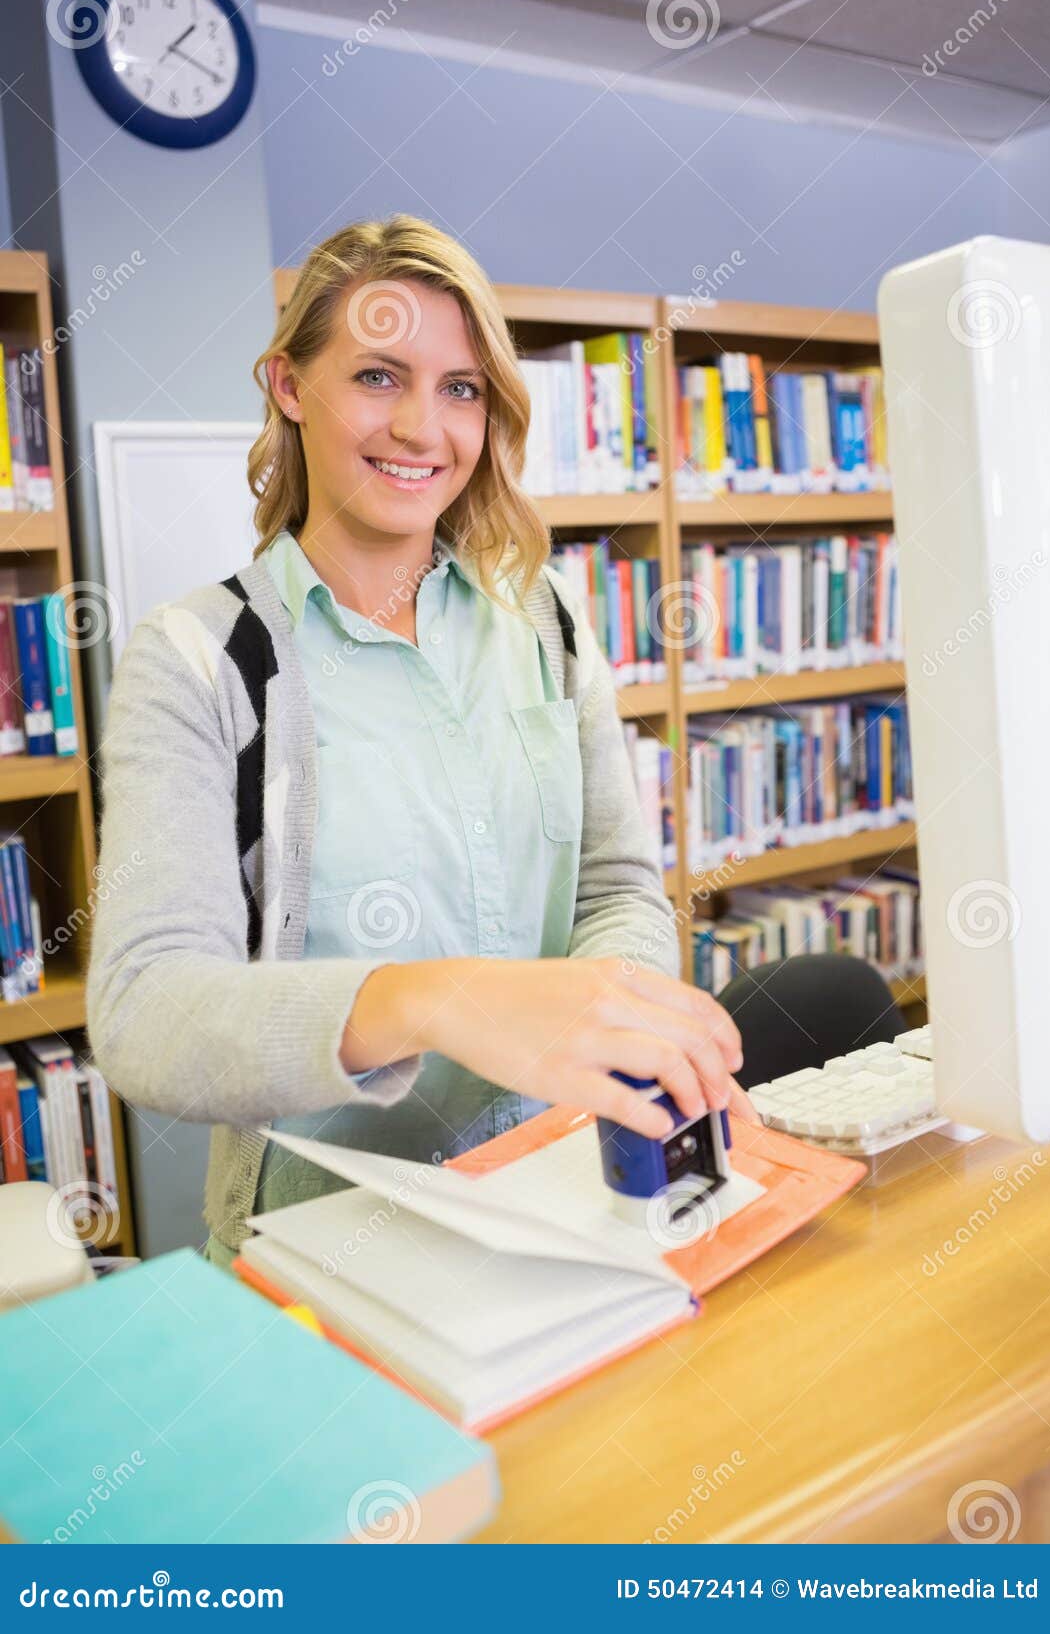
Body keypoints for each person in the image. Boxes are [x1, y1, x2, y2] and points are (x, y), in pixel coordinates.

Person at [86, 214, 754, 1270]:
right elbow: (145, 1010)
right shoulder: (196, 660)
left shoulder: (547, 621)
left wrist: (609, 1018)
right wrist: (437, 999)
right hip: (326, 1247)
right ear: (289, 387)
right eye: (378, 376)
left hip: (562, 1184)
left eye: (459, 389)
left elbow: (618, 889)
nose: (422, 429)